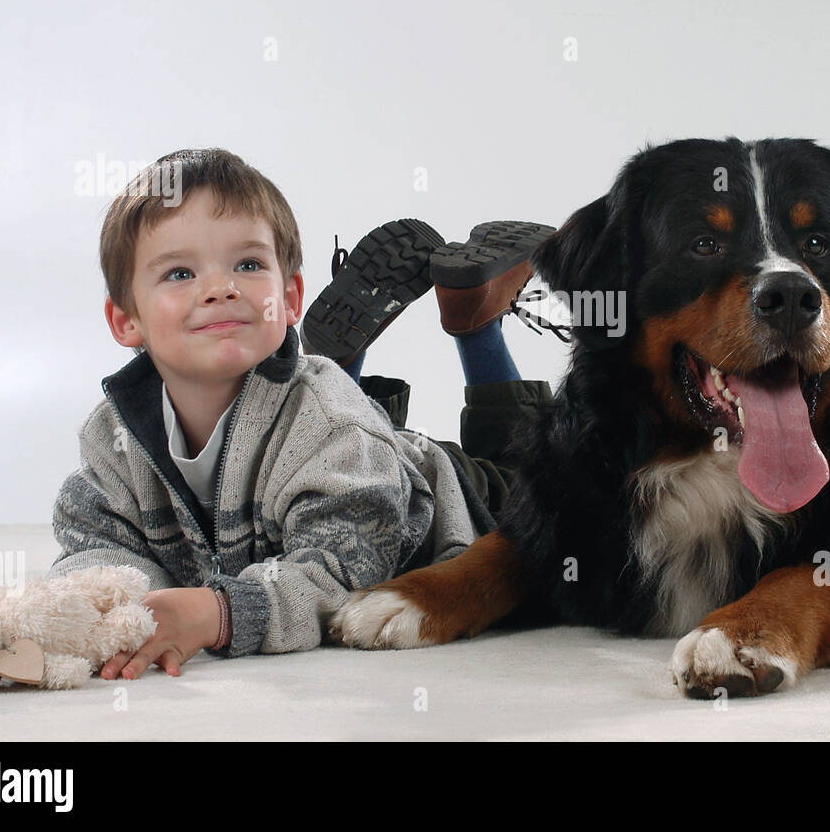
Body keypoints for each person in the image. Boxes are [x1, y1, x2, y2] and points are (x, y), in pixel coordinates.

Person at [49, 147, 557, 680]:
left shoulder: (330, 422)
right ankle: (365, 359)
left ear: (290, 298)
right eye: (179, 273)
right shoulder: (114, 439)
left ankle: (478, 327)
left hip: (465, 494)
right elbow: (96, 545)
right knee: (325, 416)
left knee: (533, 468)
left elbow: (341, 570)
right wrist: (116, 609)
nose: (220, 288)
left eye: (248, 265)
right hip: (351, 446)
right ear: (126, 319)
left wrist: (217, 612)